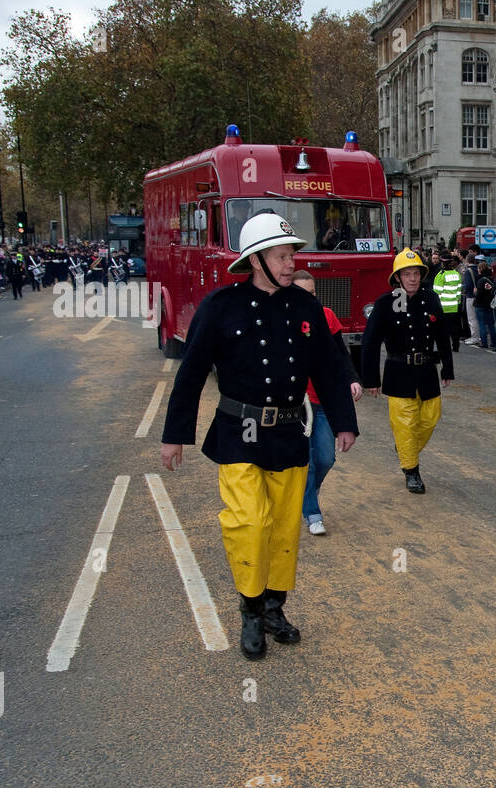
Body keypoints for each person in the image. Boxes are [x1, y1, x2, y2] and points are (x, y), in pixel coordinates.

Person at [160, 212, 359, 659]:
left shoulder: (306, 307)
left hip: (290, 433)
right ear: (257, 260)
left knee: (285, 528)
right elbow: (190, 374)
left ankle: (274, 606)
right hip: (237, 432)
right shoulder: (220, 306)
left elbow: (328, 366)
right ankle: (249, 609)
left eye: (292, 255)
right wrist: (175, 435)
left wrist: (344, 421)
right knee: (249, 523)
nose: (292, 263)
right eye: (283, 255)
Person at [361, 248, 455, 493]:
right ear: (398, 278)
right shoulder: (385, 303)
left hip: (426, 372)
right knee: (404, 423)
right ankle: (411, 470)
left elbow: (443, 336)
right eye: (407, 274)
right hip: (398, 372)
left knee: (430, 418)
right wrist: (370, 379)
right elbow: (370, 343)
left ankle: (405, 448)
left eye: (416, 273)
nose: (412, 278)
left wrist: (448, 368)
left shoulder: (432, 299)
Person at [291, 270, 363, 535]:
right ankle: (312, 512)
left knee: (325, 458)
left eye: (312, 294)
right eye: (302, 294)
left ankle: (307, 491)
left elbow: (340, 356)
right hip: (296, 404)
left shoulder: (327, 316)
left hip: (322, 403)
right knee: (306, 461)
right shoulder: (282, 319)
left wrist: (353, 379)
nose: (309, 299)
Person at [472, 257, 496, 349]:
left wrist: (475, 292)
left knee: (481, 323)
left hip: (480, 304)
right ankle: (494, 341)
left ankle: (484, 342)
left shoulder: (480, 280)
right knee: (491, 324)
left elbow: (478, 294)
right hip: (489, 303)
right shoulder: (491, 279)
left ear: (480, 269)